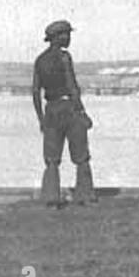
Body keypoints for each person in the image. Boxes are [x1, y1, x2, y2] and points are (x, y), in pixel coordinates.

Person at [32, 20, 96, 207]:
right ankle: (85, 195)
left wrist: (41, 119)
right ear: (55, 38)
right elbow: (71, 86)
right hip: (69, 109)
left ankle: (50, 197)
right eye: (65, 35)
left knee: (51, 159)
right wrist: (82, 112)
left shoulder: (40, 60)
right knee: (81, 155)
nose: (68, 38)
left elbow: (35, 92)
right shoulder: (64, 57)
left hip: (50, 111)